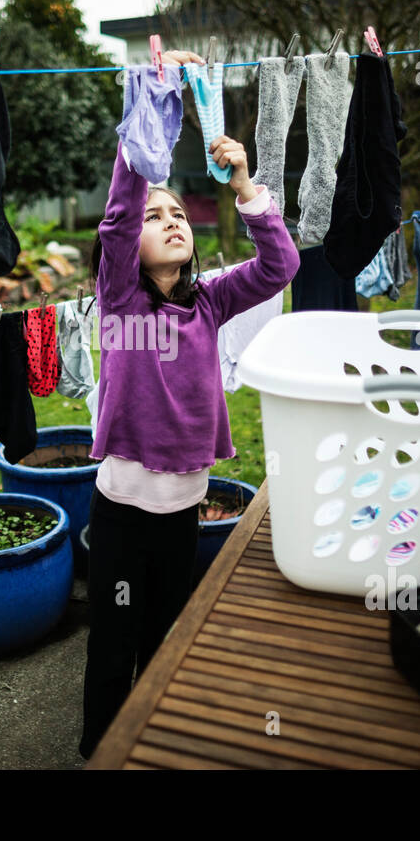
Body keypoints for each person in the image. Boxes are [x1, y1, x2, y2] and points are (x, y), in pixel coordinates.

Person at [79, 49, 300, 759]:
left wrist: (244, 183)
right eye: (156, 216)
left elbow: (281, 267)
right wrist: (148, 124)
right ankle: (101, 748)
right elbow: (117, 218)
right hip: (119, 511)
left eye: (179, 213)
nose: (171, 220)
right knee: (114, 643)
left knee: (167, 636)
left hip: (184, 514)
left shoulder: (211, 302)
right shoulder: (119, 300)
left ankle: (155, 740)